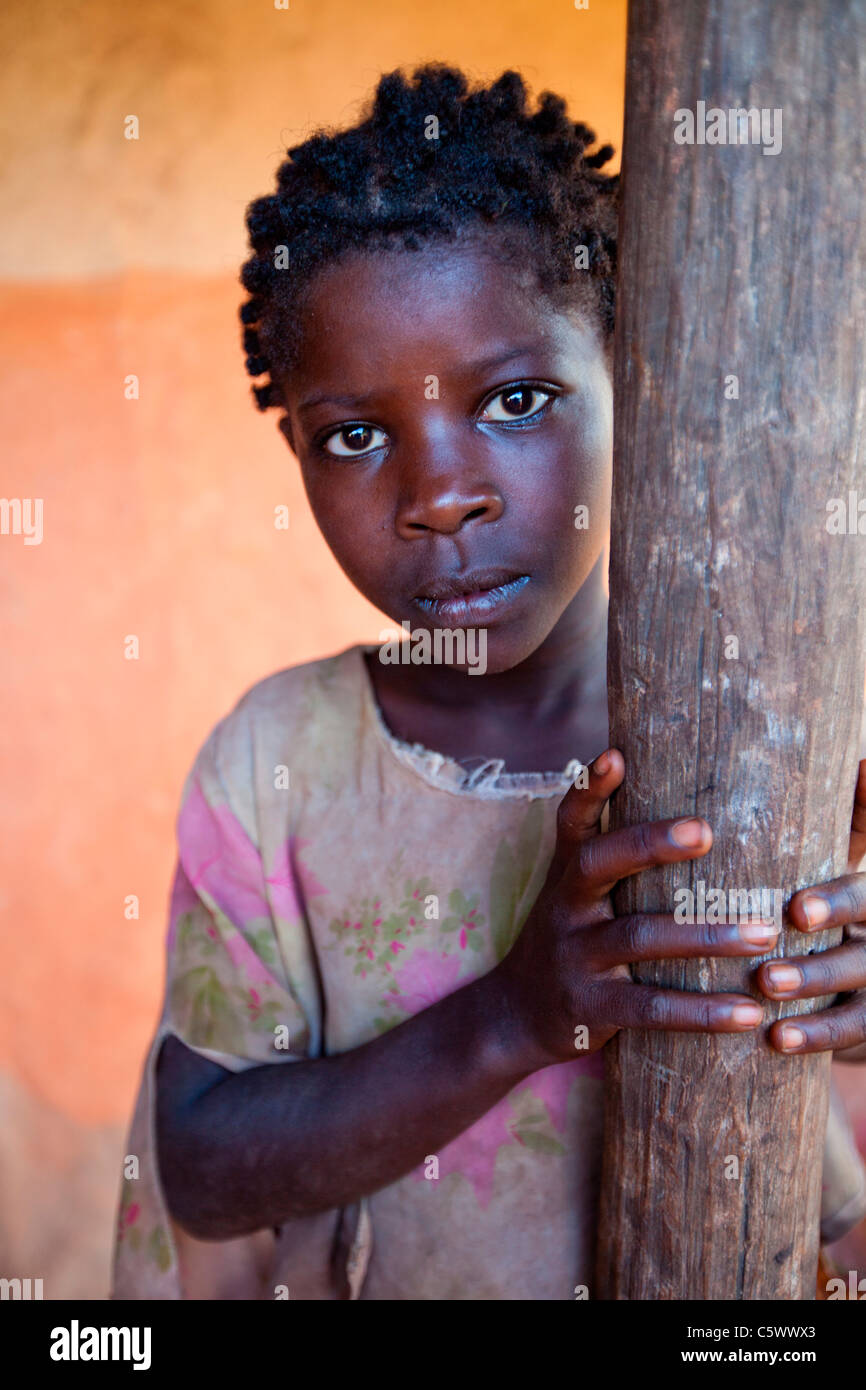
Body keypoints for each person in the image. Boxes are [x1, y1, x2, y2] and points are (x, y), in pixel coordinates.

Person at [111, 64, 866, 1300]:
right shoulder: (273, 764)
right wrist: (515, 1016)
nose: (438, 498)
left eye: (514, 400)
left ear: (636, 378)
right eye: (355, 435)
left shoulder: (797, 725)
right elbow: (198, 1163)